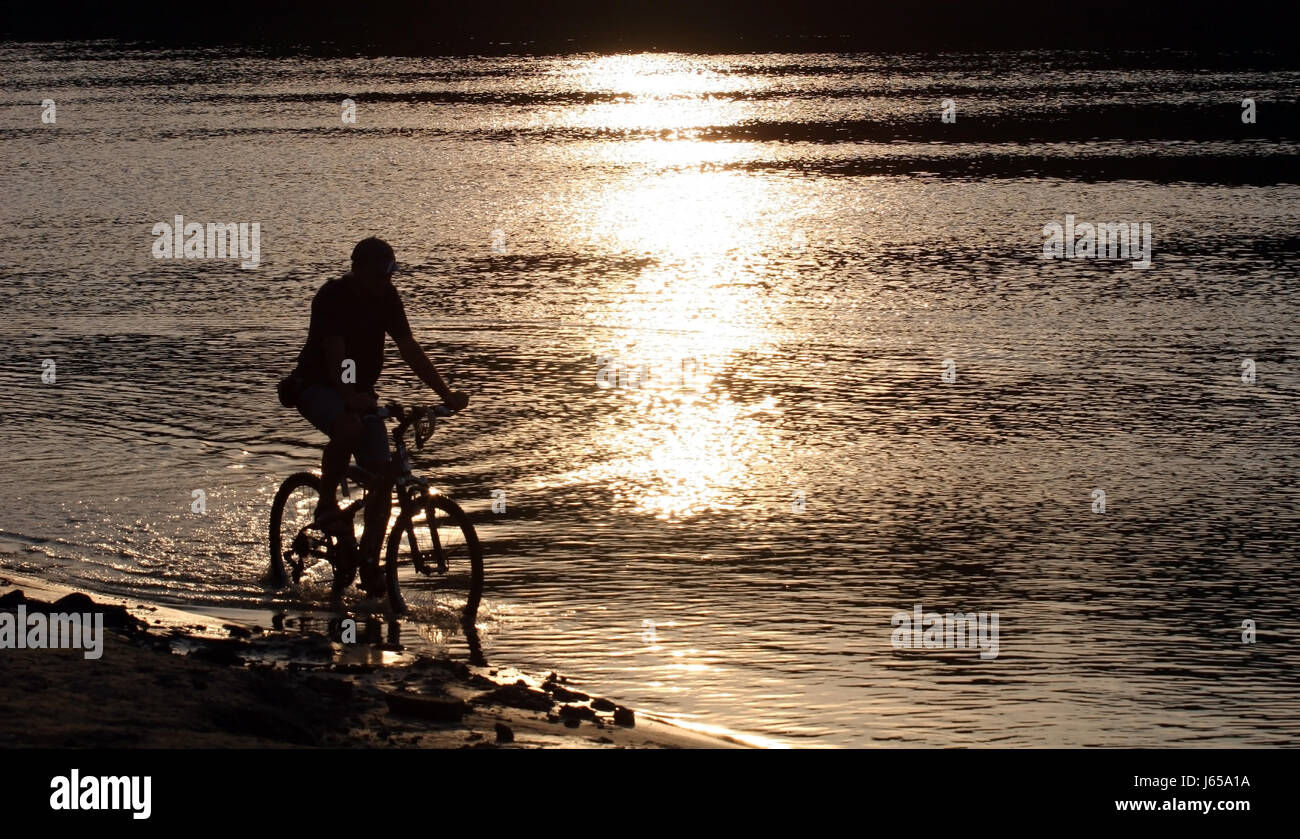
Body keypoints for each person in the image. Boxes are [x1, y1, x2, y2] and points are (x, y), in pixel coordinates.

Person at [287, 237, 468, 596]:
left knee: (383, 478)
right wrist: (348, 396)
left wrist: (445, 394)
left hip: (360, 394)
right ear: (357, 271)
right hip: (316, 387)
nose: (385, 282)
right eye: (378, 275)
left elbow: (409, 348)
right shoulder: (333, 297)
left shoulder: (388, 297)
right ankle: (325, 505)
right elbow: (336, 354)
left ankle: (369, 564)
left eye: (389, 275)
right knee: (348, 426)